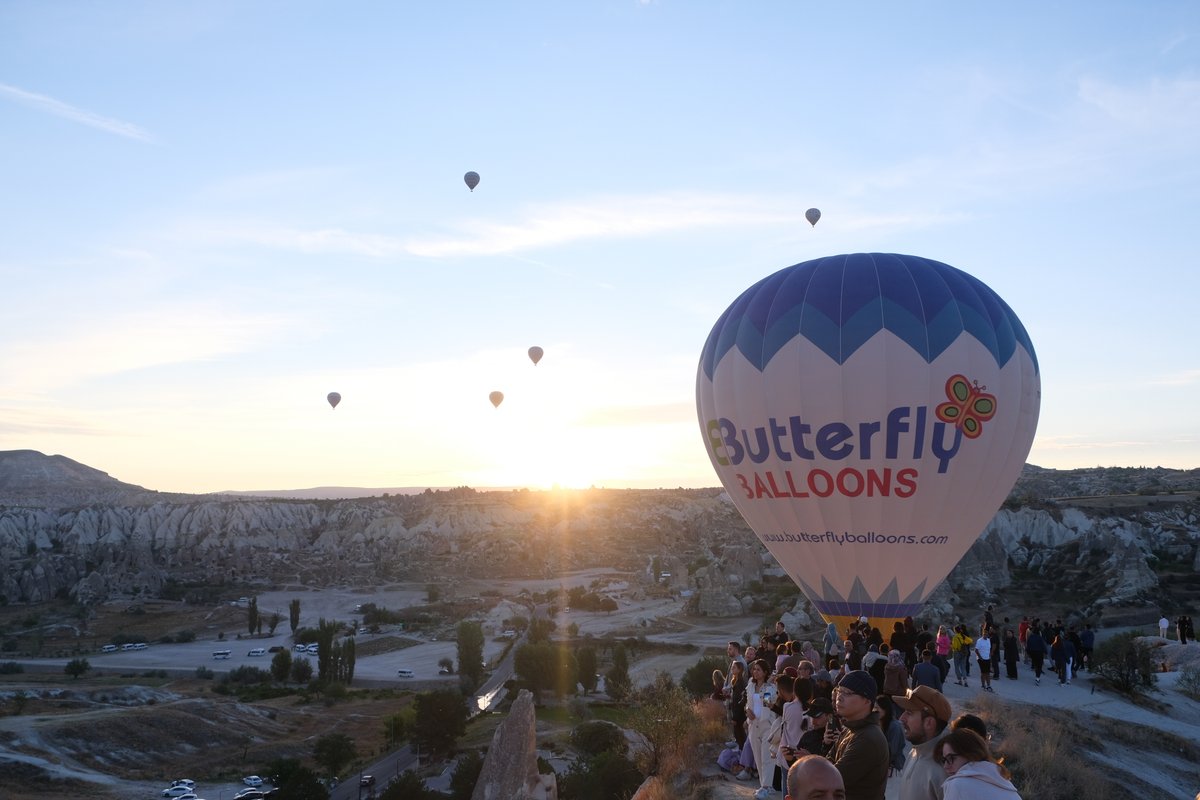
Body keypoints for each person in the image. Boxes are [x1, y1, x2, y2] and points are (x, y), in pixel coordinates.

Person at [825, 670, 889, 800]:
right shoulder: (850, 728)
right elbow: (828, 761)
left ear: (867, 701)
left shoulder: (868, 738)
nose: (839, 697)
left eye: (847, 693)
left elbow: (832, 779)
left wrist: (808, 764)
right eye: (839, 691)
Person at [891, 685, 952, 800]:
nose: (901, 718)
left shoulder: (945, 770)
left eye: (909, 713)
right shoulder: (915, 751)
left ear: (929, 723)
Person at [936, 729, 1023, 799]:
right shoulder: (1002, 782)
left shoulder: (958, 785)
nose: (946, 766)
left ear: (971, 754)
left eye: (951, 758)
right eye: (944, 760)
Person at [747, 659, 779, 800]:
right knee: (758, 757)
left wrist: (768, 688)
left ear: (765, 672)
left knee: (767, 757)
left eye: (758, 669)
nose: (755, 672)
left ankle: (766, 786)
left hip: (767, 725)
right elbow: (748, 703)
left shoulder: (770, 687)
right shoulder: (750, 685)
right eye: (754, 669)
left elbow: (767, 703)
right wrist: (747, 711)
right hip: (753, 725)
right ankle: (763, 786)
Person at [875, 694, 906, 776]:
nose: (875, 711)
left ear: (885, 709)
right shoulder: (878, 723)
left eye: (877, 708)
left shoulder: (895, 726)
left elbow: (893, 751)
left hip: (893, 768)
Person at [728, 660, 749, 748]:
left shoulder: (740, 683)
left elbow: (739, 702)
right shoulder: (735, 681)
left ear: (739, 670)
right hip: (736, 712)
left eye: (734, 667)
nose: (732, 669)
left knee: (740, 736)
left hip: (739, 715)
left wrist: (735, 718)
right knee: (738, 735)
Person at [974, 628, 994, 693]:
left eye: (986, 633)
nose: (985, 634)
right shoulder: (979, 641)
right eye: (984, 633)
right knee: (983, 673)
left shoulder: (988, 640)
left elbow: (989, 649)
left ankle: (988, 685)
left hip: (987, 658)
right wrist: (980, 658)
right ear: (982, 634)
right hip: (981, 659)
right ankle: (983, 685)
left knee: (987, 673)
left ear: (988, 634)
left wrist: (990, 657)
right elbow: (976, 650)